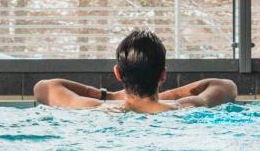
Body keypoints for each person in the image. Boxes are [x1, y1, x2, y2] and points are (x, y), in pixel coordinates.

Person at [33, 28, 238, 115]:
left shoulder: (98, 109)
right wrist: (163, 96)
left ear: (118, 73)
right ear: (163, 75)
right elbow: (226, 86)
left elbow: (44, 88)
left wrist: (110, 96)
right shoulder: (183, 108)